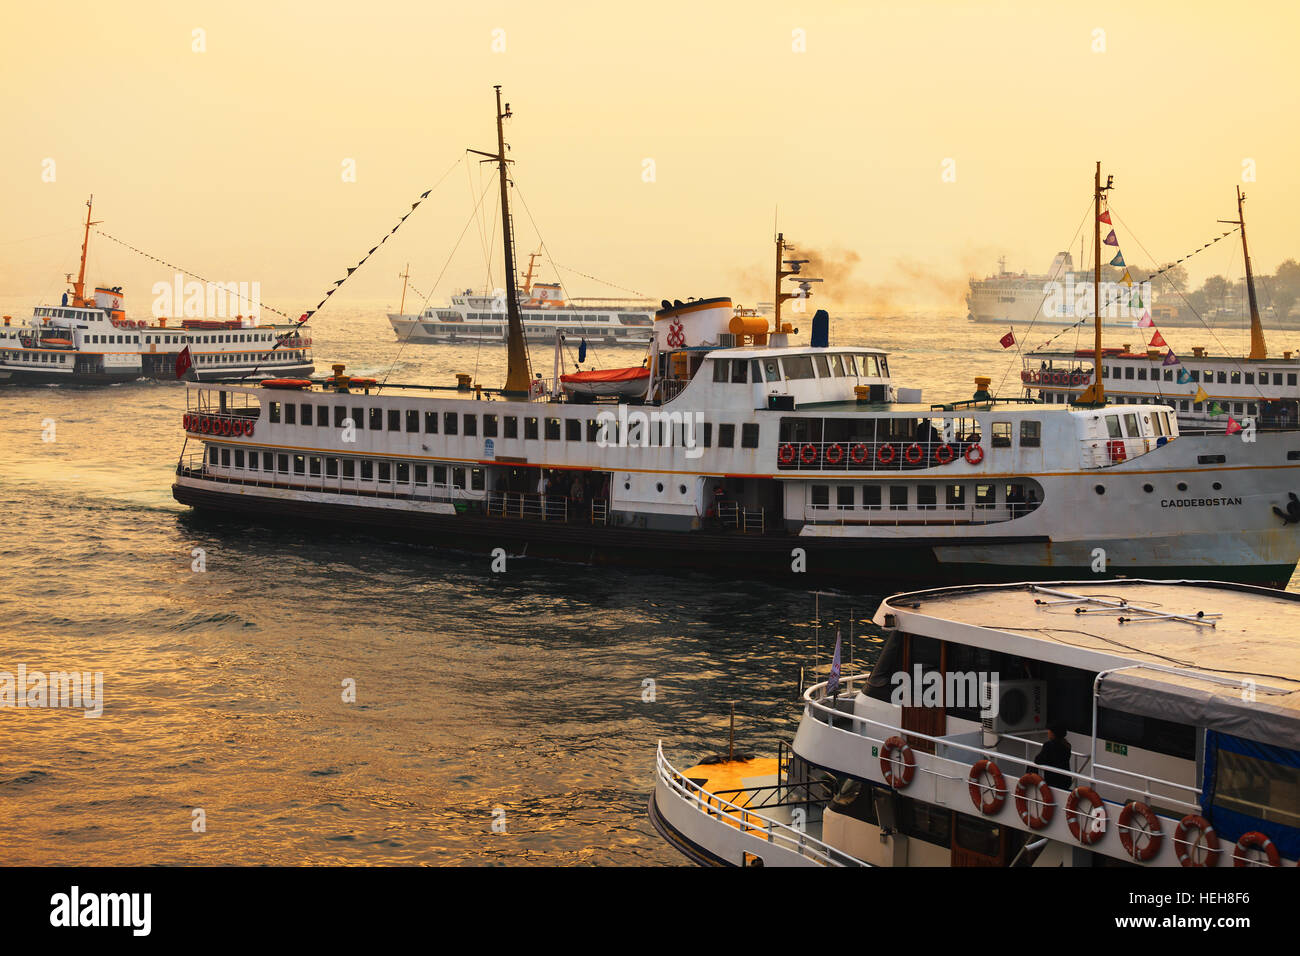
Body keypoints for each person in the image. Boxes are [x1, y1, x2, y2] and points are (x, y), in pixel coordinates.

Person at [1032, 723, 1073, 791]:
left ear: (1053, 733)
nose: (1048, 732)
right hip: (1066, 780)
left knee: (1031, 766)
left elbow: (1038, 760)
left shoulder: (1048, 745)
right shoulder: (1067, 745)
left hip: (1052, 781)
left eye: (1049, 731)